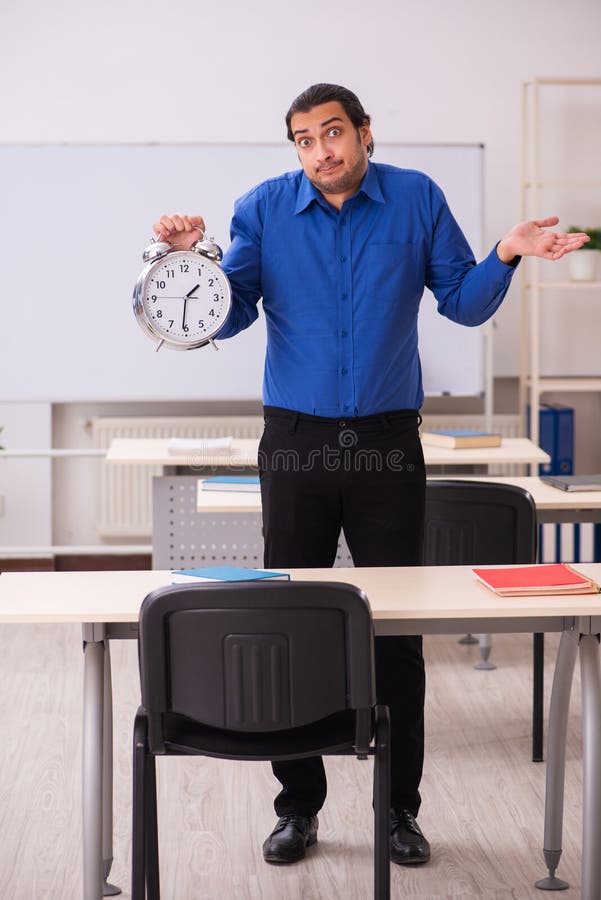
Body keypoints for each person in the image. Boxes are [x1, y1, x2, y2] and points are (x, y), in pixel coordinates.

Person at [153, 83, 589, 868]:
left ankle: (400, 811)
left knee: (396, 636)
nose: (320, 150)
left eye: (332, 133)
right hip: (295, 444)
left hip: (388, 443)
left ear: (362, 133)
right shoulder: (260, 209)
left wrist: (507, 252)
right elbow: (232, 312)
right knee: (290, 620)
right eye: (302, 139)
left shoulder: (416, 199)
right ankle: (297, 808)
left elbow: (461, 302)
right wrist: (189, 263)